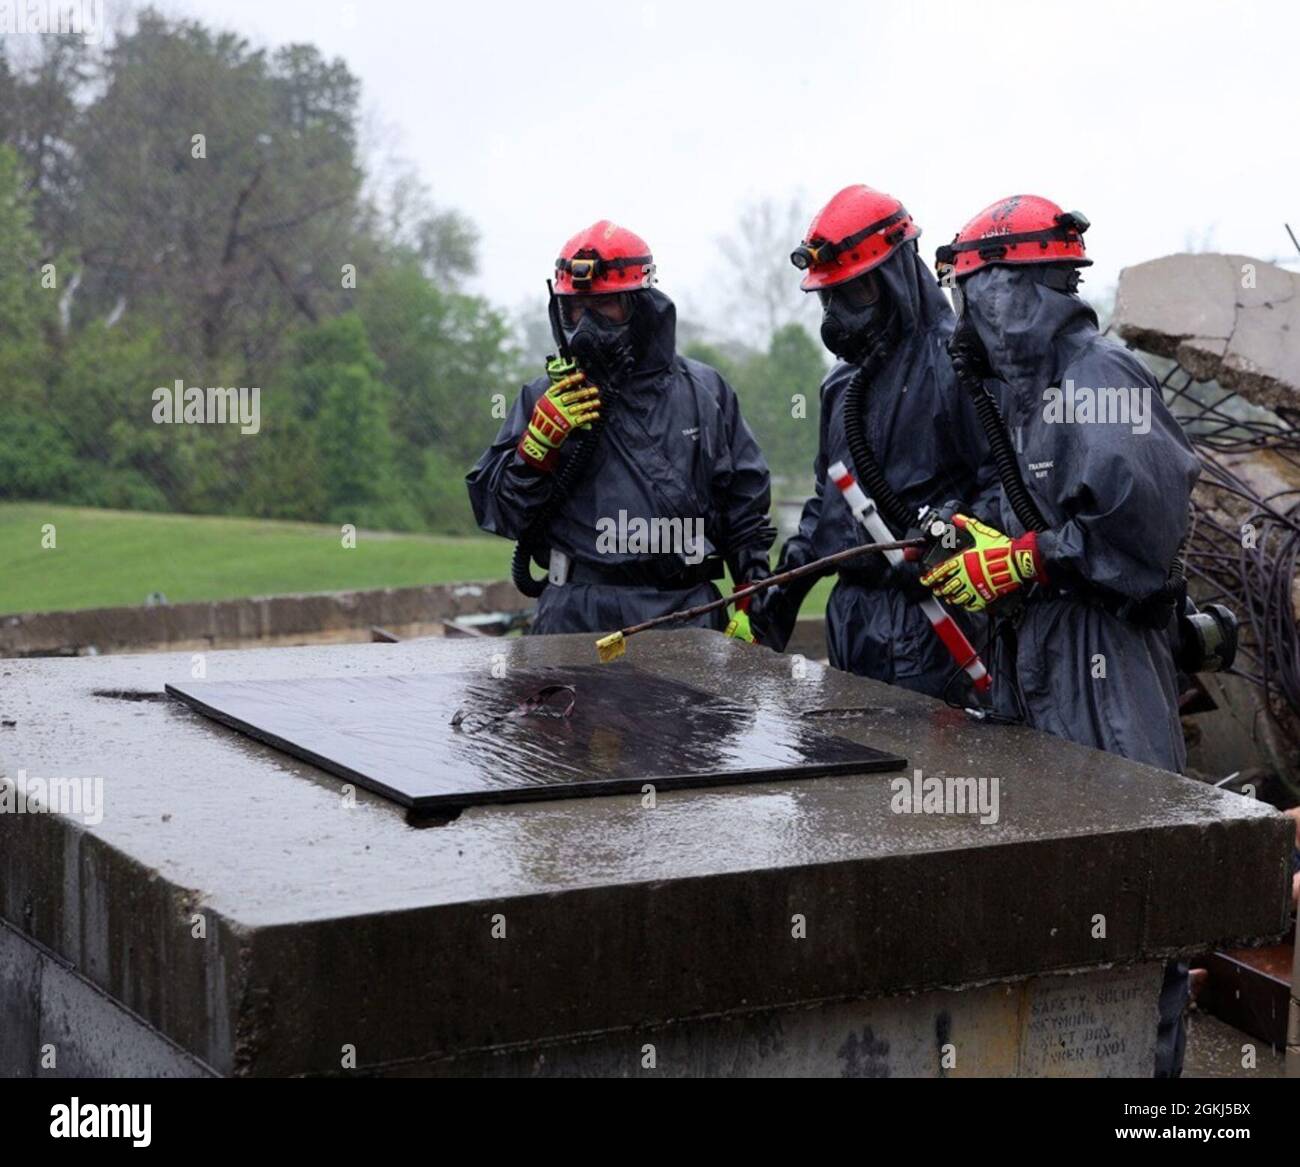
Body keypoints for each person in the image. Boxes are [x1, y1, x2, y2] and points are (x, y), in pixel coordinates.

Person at [921, 194, 1201, 1077]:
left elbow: (1137, 534)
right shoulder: (1026, 397)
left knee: (1125, 890)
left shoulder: (1100, 379)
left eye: (972, 293)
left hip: (1104, 665)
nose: (963, 316)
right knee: (1054, 895)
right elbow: (1032, 515)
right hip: (1039, 661)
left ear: (1008, 290)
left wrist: (1027, 561)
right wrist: (981, 545)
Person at [467, 221, 775, 639]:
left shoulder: (705, 392)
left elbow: (745, 509)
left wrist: (750, 598)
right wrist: (533, 453)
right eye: (575, 309)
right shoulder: (544, 399)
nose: (586, 325)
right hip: (574, 616)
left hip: (684, 615)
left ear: (641, 307)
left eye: (605, 306)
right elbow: (500, 513)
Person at [754, 185, 994, 698]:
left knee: (938, 775)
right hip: (853, 620)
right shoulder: (841, 383)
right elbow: (828, 500)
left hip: (938, 625)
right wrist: (785, 587)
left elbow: (1001, 490)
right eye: (830, 296)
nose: (839, 314)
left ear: (897, 277)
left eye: (856, 292)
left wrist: (942, 545)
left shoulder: (960, 364)